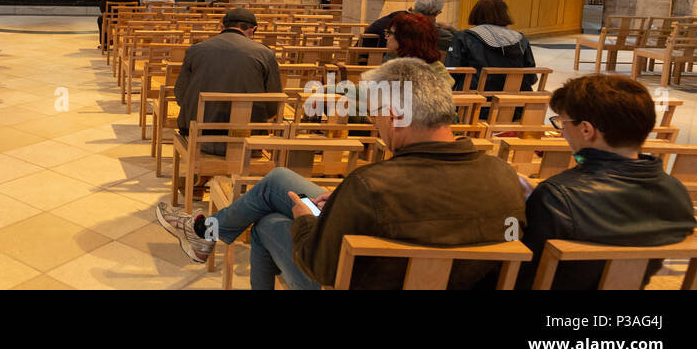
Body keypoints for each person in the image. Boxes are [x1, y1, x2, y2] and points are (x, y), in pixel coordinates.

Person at [156, 58, 528, 289]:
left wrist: (304, 219)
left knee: (268, 224)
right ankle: (205, 232)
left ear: (397, 116)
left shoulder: (369, 186)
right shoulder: (503, 175)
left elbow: (323, 266)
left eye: (376, 113)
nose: (374, 122)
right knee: (278, 180)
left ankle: (206, 232)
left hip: (359, 281)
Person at [516, 75, 696, 289]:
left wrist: (535, 202)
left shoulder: (556, 197)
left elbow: (522, 274)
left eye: (562, 123)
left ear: (586, 129)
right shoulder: (676, 193)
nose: (561, 131)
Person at [173, 7, 280, 143]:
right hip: (247, 135)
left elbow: (180, 93)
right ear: (253, 29)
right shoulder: (265, 53)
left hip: (198, 133)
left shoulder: (196, 49)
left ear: (222, 27)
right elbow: (273, 103)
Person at [445, 0, 537, 91]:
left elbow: (450, 73)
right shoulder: (520, 38)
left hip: (476, 100)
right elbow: (531, 77)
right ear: (504, 14)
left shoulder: (464, 37)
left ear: (476, 13)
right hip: (515, 101)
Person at [359, 0, 454, 54]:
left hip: (362, 58)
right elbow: (454, 44)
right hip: (387, 68)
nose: (387, 37)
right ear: (437, 13)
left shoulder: (396, 16)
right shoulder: (423, 28)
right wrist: (450, 28)